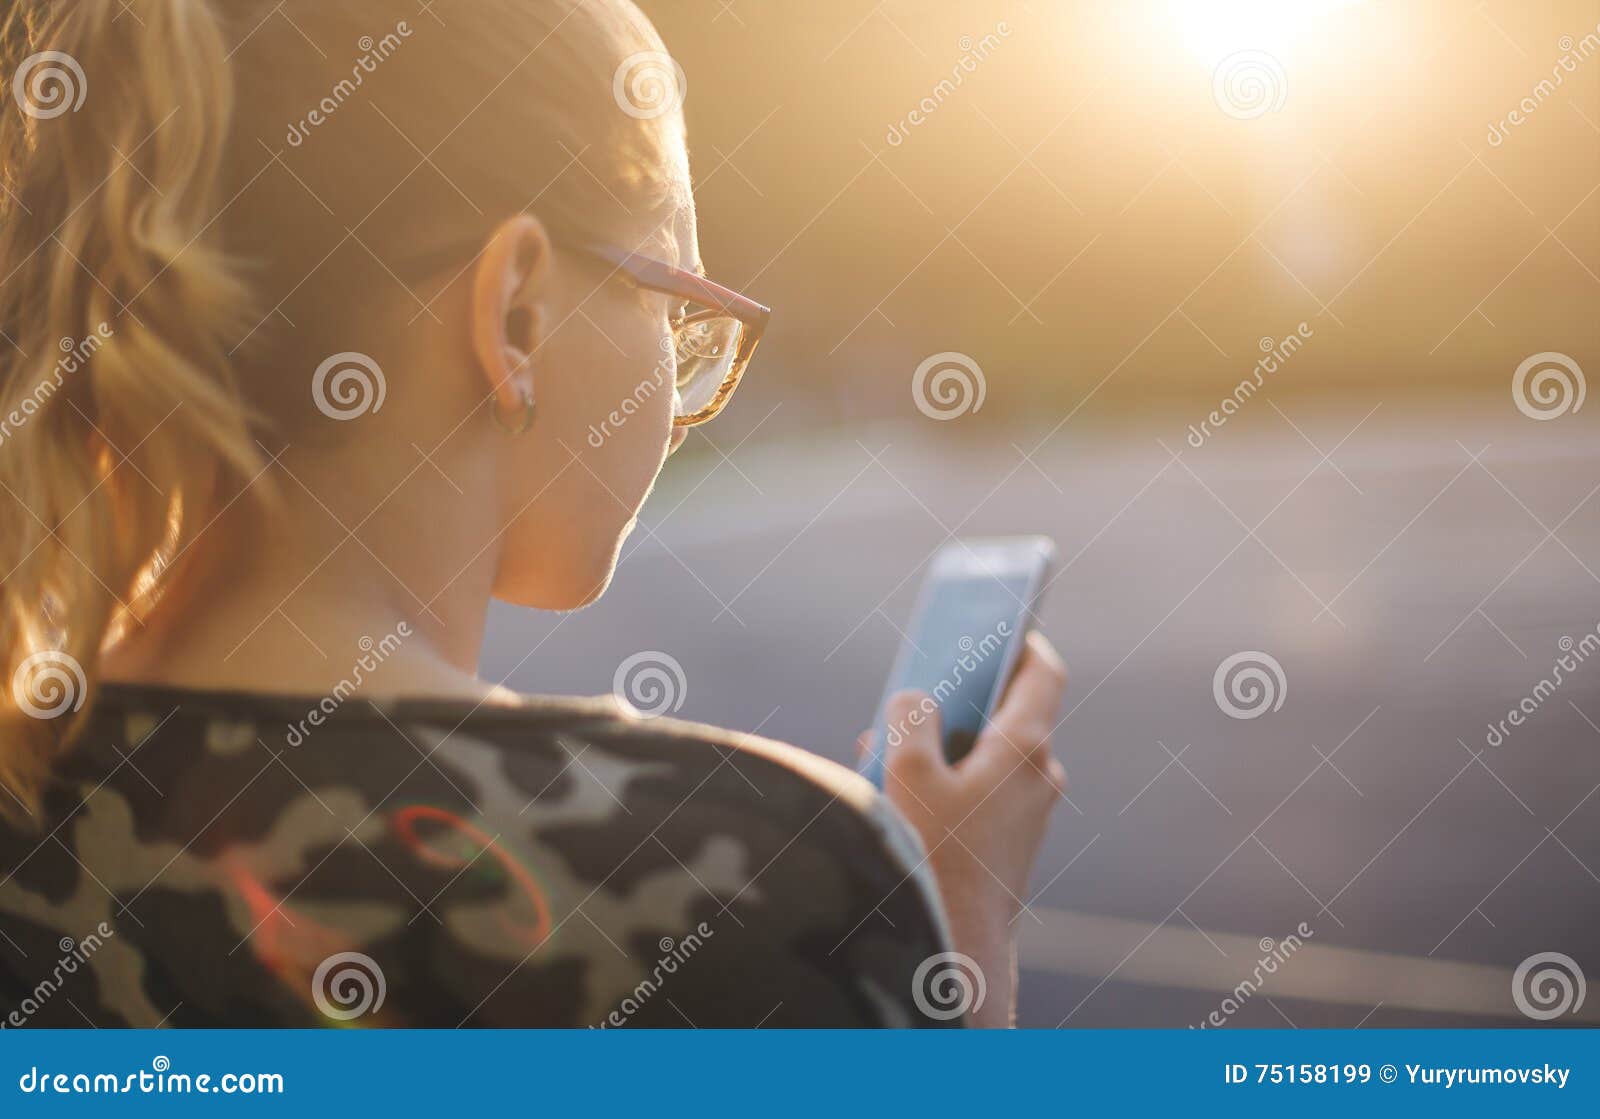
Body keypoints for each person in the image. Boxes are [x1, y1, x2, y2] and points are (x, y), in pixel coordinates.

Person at [0, 0, 1067, 1027]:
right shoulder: (751, 882)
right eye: (677, 311)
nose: (681, 400)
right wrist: (949, 939)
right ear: (515, 310)